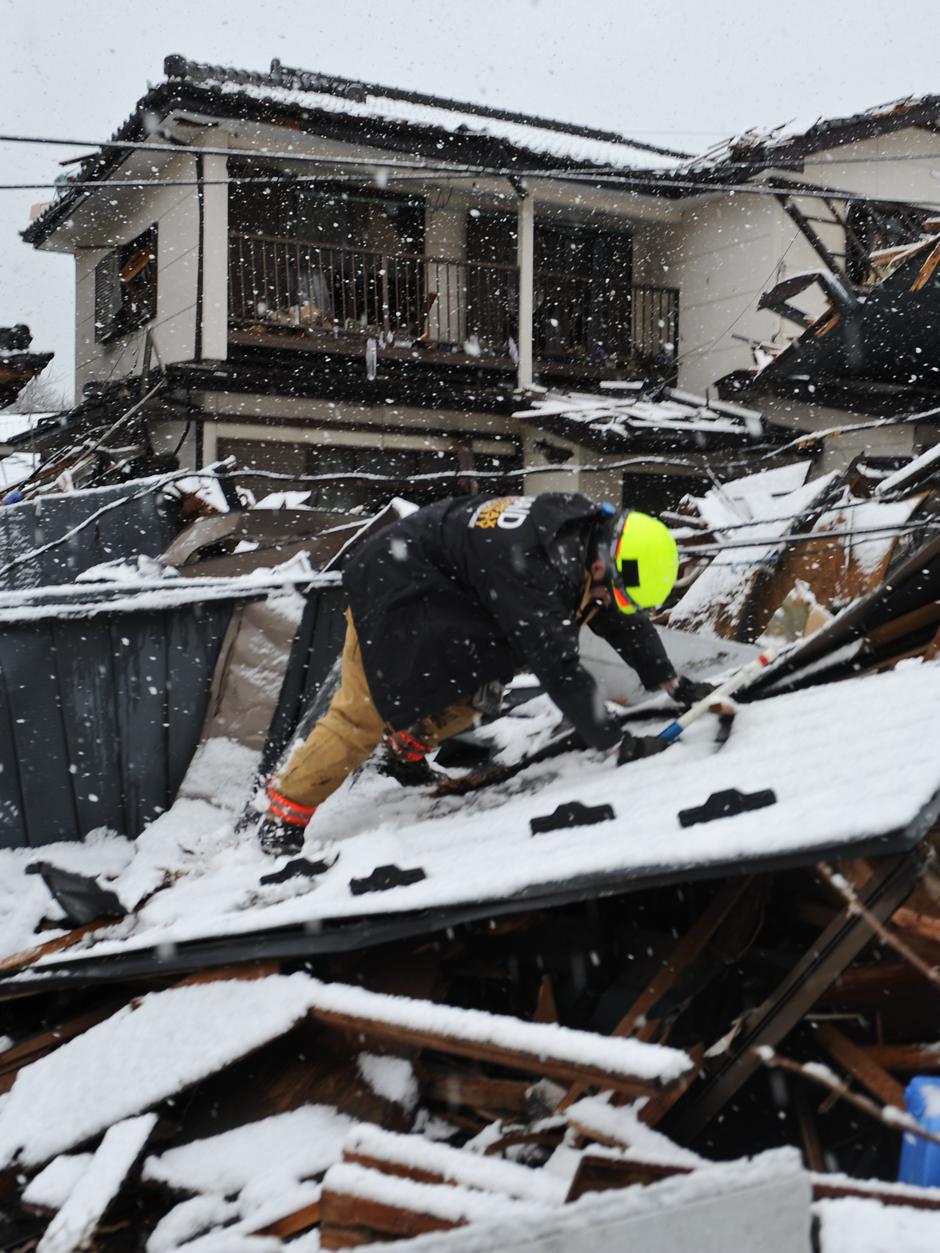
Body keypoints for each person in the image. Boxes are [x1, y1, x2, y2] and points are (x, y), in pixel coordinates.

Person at [257, 492, 710, 854]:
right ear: (600, 564)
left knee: (476, 690)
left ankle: (405, 752)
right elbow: (560, 668)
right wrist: (616, 743)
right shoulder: (531, 566)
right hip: (393, 585)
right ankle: (283, 814)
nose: (607, 602)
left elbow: (617, 615)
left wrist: (669, 680)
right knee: (362, 716)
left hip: (452, 592)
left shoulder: (588, 538)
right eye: (609, 590)